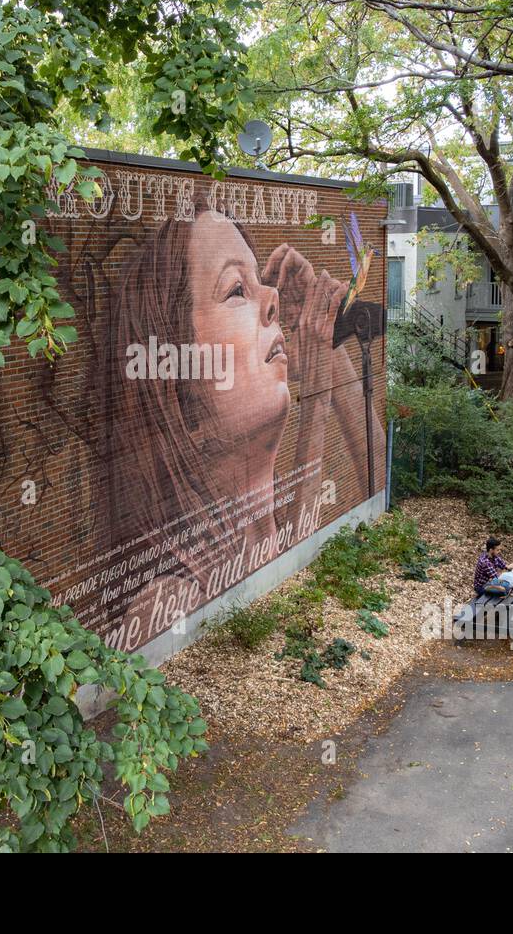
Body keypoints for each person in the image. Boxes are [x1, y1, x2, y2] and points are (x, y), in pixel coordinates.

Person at [97, 209, 384, 652]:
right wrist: (317, 397)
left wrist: (328, 335)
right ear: (175, 378)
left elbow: (380, 480)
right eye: (236, 290)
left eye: (261, 282)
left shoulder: (264, 538)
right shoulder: (168, 604)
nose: (273, 299)